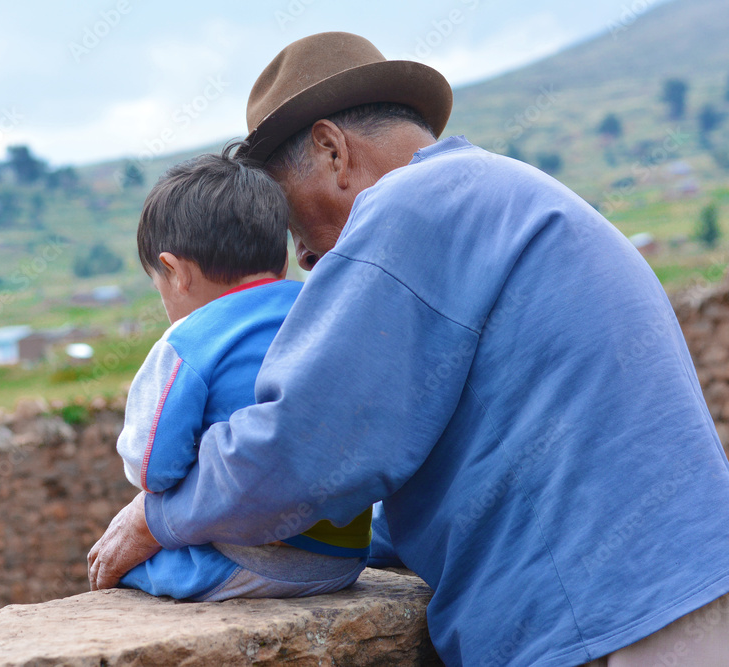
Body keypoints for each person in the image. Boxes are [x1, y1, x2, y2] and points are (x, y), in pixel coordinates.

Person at [89, 32, 729, 665]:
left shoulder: (406, 207)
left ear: (332, 151)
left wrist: (159, 518)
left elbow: (308, 444)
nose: (308, 261)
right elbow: (431, 453)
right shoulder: (495, 191)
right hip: (677, 591)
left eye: (294, 223)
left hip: (611, 621)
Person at [113, 146, 371, 601]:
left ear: (174, 272)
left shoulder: (189, 340)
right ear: (284, 258)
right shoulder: (322, 308)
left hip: (254, 562)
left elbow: (152, 466)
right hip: (344, 558)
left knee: (130, 565)